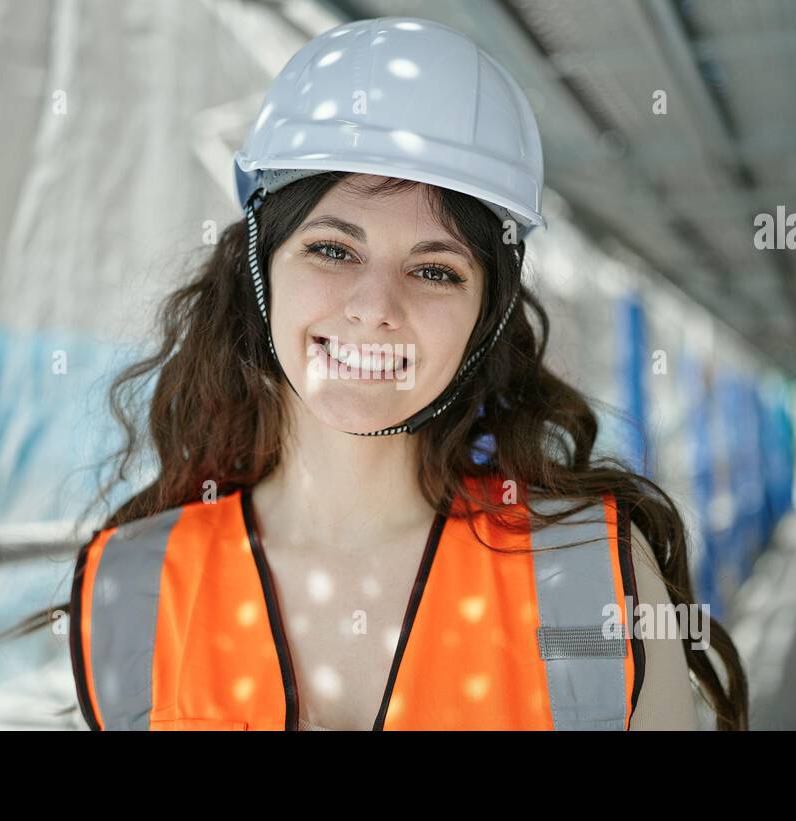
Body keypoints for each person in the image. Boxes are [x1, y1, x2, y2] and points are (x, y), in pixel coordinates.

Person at [37, 16, 745, 731]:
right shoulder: (133, 586)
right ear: (261, 269)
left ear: (486, 318)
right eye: (333, 250)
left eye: (435, 270)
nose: (376, 307)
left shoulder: (593, 573)